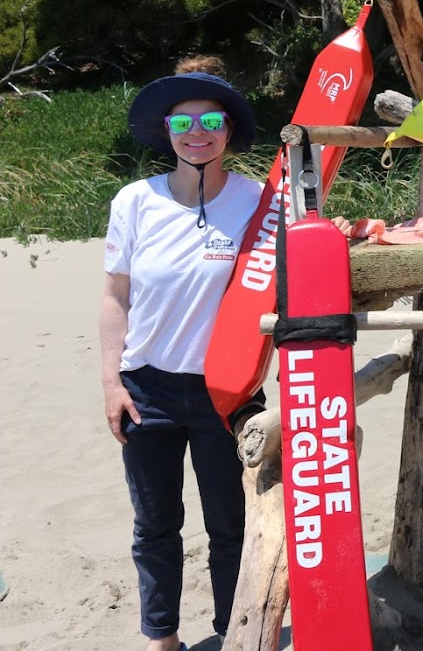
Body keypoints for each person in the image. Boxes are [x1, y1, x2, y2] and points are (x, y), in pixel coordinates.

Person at [100, 56, 262, 651]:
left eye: (212, 119)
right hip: (147, 388)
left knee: (231, 526)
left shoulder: (260, 202)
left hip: (230, 389)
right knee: (155, 527)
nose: (198, 132)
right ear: (165, 131)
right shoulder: (134, 202)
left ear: (230, 128)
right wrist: (112, 384)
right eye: (182, 123)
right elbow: (115, 296)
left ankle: (233, 632)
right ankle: (161, 637)